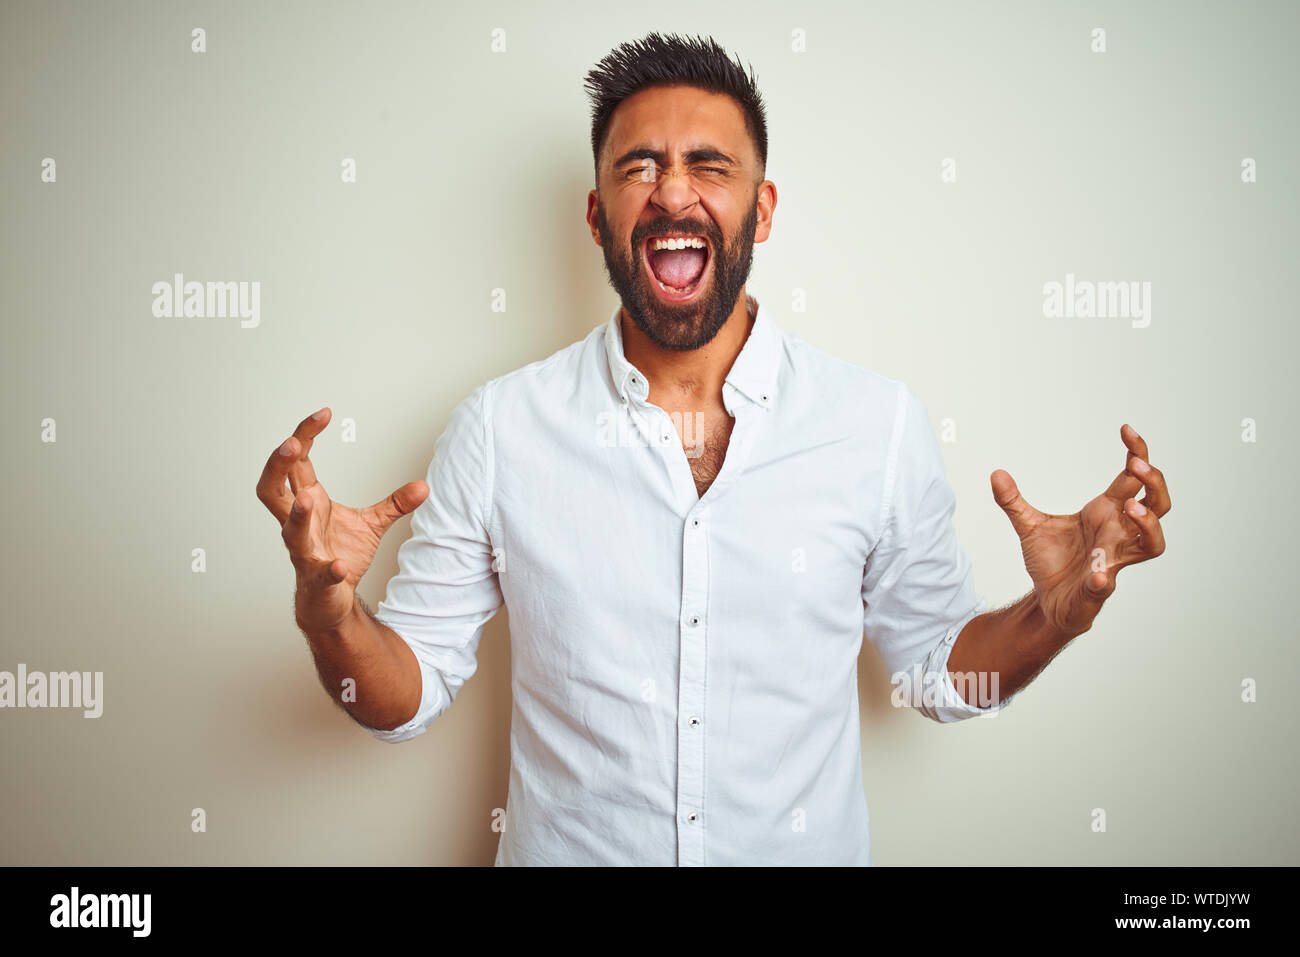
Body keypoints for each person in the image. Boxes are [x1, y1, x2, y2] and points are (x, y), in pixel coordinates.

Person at [255, 33, 1171, 866]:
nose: (673, 190)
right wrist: (329, 613)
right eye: (639, 166)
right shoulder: (501, 429)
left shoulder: (875, 425)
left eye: (709, 165)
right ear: (597, 213)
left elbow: (939, 674)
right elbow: (399, 698)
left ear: (760, 209)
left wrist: (1056, 613)